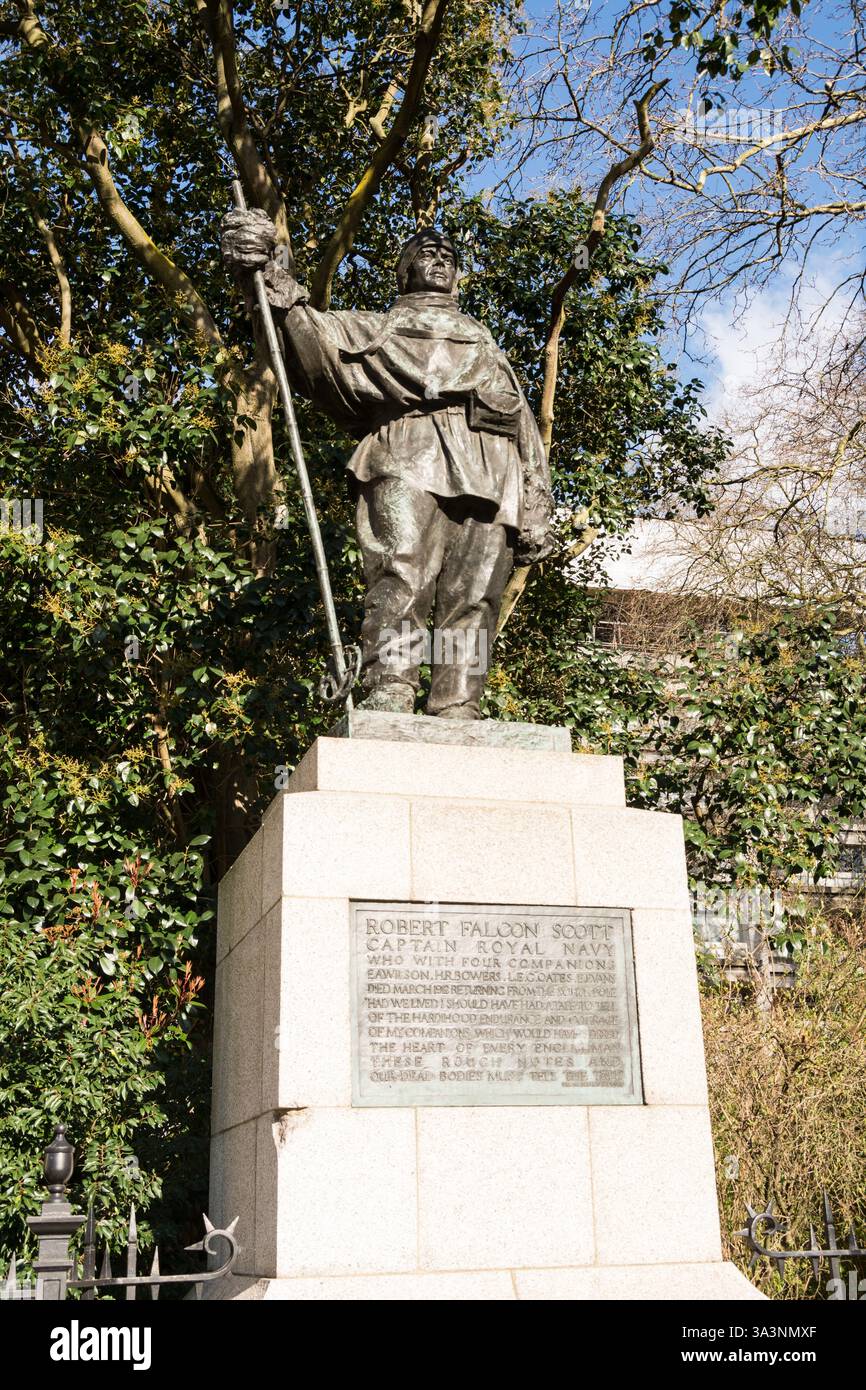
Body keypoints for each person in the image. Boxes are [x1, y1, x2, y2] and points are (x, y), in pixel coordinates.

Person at [222, 210, 553, 718]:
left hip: (491, 467)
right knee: (401, 574)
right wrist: (263, 271)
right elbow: (309, 340)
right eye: (427, 254)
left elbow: (524, 422)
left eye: (449, 257)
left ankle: (458, 702)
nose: (440, 262)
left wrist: (537, 501)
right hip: (407, 454)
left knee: (477, 593)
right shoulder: (375, 329)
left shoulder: (484, 340)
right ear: (403, 271)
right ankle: (390, 691)